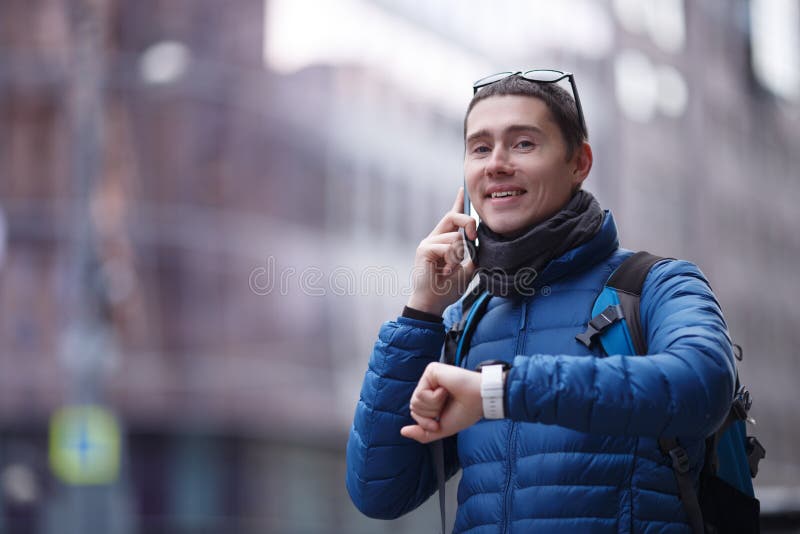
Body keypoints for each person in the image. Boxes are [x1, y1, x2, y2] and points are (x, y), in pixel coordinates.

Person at [345, 71, 736, 533]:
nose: (496, 164)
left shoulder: (654, 285)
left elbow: (702, 386)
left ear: (579, 162)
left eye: (524, 143)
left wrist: (501, 391)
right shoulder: (465, 319)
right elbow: (379, 493)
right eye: (479, 147)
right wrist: (421, 313)